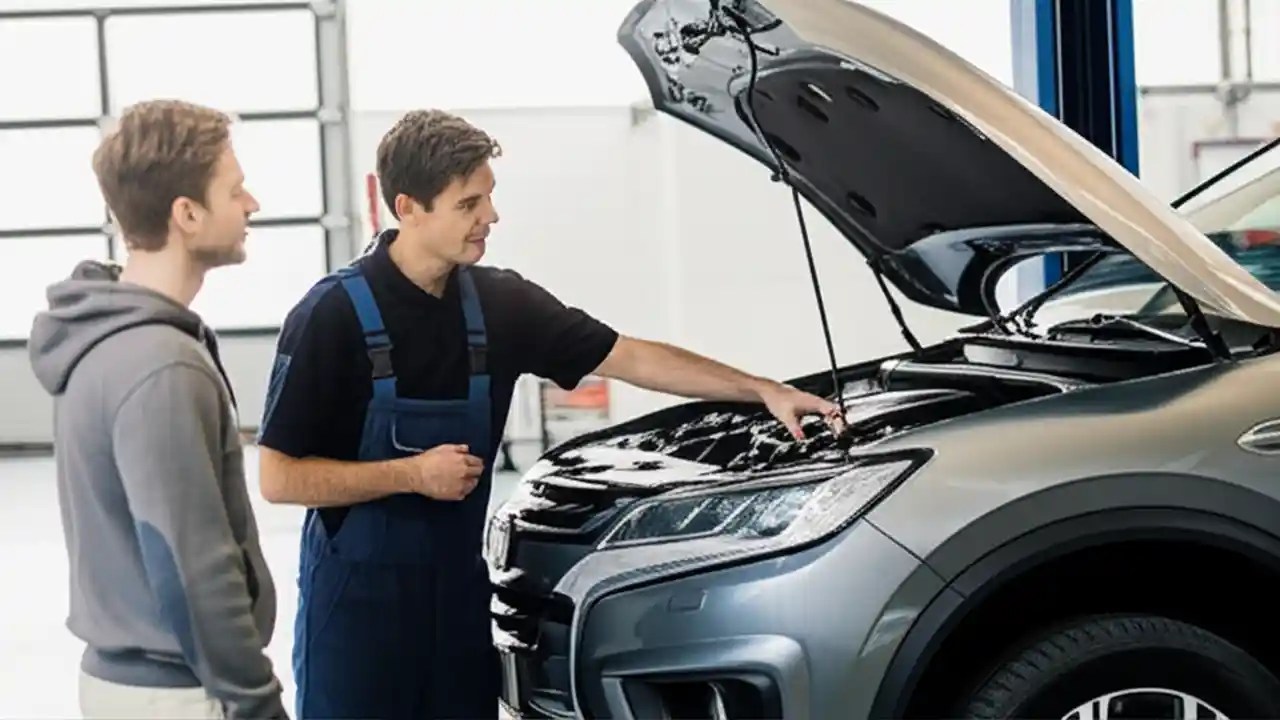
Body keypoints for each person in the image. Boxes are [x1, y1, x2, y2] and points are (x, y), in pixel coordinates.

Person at [256, 109, 844, 720]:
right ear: (409, 208)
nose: (491, 216)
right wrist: (408, 475)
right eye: (469, 203)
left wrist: (762, 390)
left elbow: (632, 357)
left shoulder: (500, 304)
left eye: (489, 197)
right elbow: (279, 478)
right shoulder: (332, 315)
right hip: (357, 617)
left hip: (455, 610)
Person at [27, 99, 288, 720]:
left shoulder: (102, 333)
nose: (251, 204)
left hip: (135, 687)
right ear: (187, 214)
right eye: (235, 189)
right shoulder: (159, 363)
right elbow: (191, 562)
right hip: (180, 693)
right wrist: (256, 702)